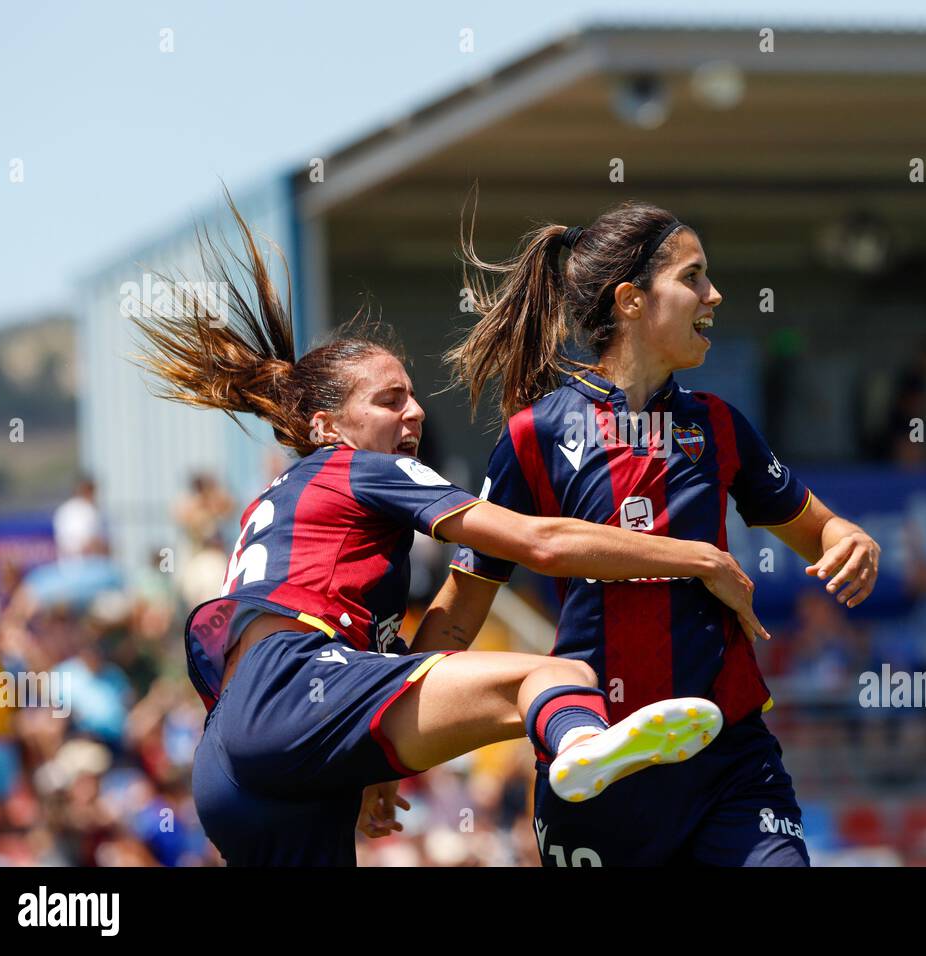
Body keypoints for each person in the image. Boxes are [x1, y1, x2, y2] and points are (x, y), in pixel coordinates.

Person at [129, 195, 765, 866]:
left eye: (412, 397)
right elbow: (539, 543)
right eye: (388, 400)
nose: (414, 415)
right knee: (556, 677)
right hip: (293, 685)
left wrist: (374, 760)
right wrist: (694, 558)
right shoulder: (361, 469)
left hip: (233, 761)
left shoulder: (283, 500)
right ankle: (580, 747)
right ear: (324, 427)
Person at [427, 202, 881, 866]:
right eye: (694, 277)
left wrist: (850, 539)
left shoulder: (720, 425)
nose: (714, 295)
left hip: (729, 759)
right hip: (596, 766)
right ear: (633, 301)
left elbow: (821, 532)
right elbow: (459, 615)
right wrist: (384, 749)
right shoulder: (537, 435)